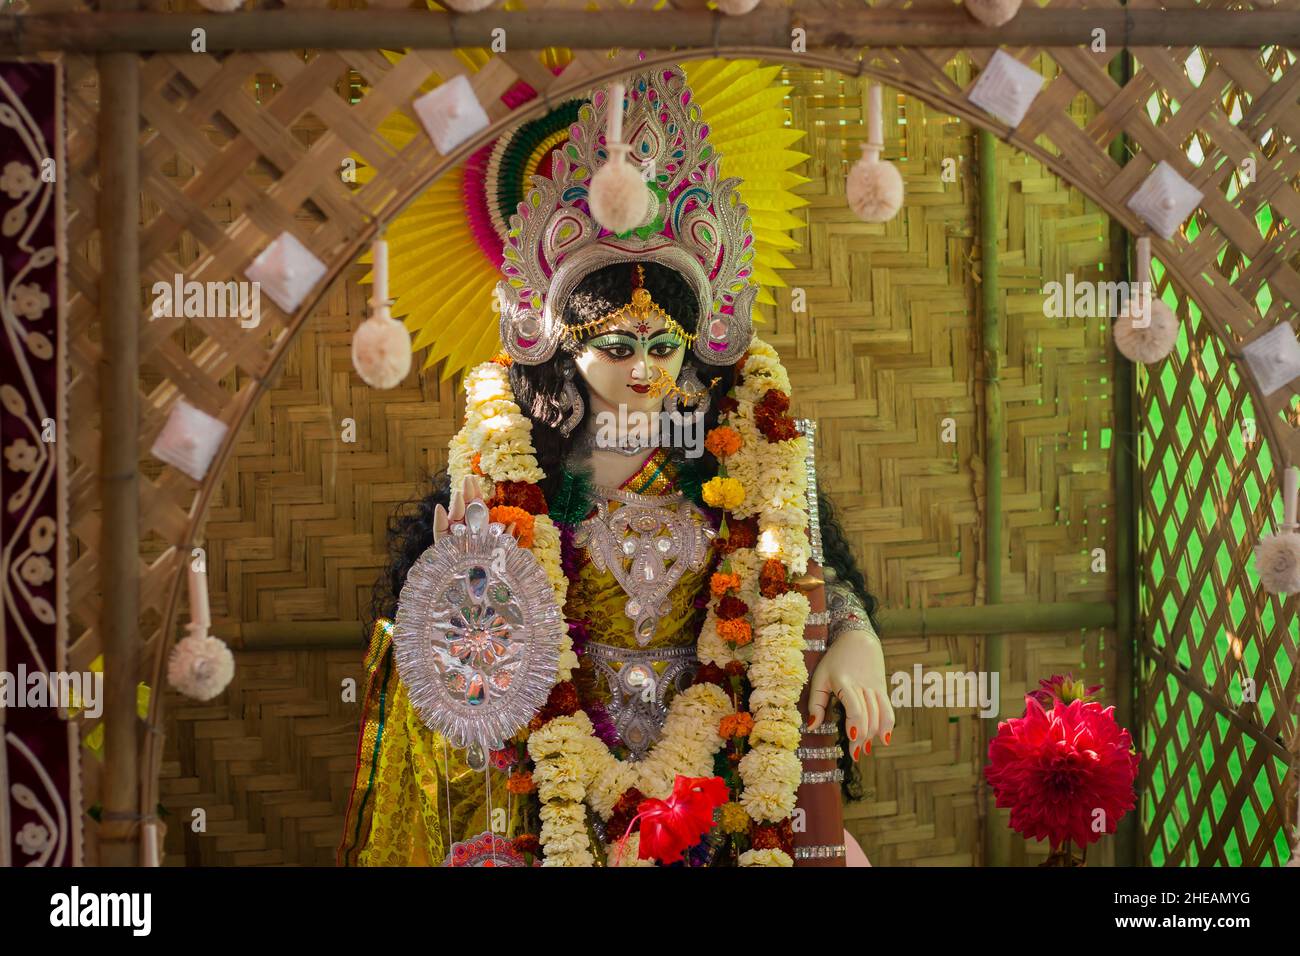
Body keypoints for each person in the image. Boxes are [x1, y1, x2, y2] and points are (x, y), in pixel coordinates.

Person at [339, 66, 891, 867]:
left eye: (666, 346)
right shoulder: (516, 472)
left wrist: (853, 635)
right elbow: (460, 671)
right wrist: (463, 583)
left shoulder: (725, 458)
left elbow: (791, 574)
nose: (646, 371)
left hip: (723, 794)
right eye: (619, 346)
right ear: (564, 343)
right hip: (554, 800)